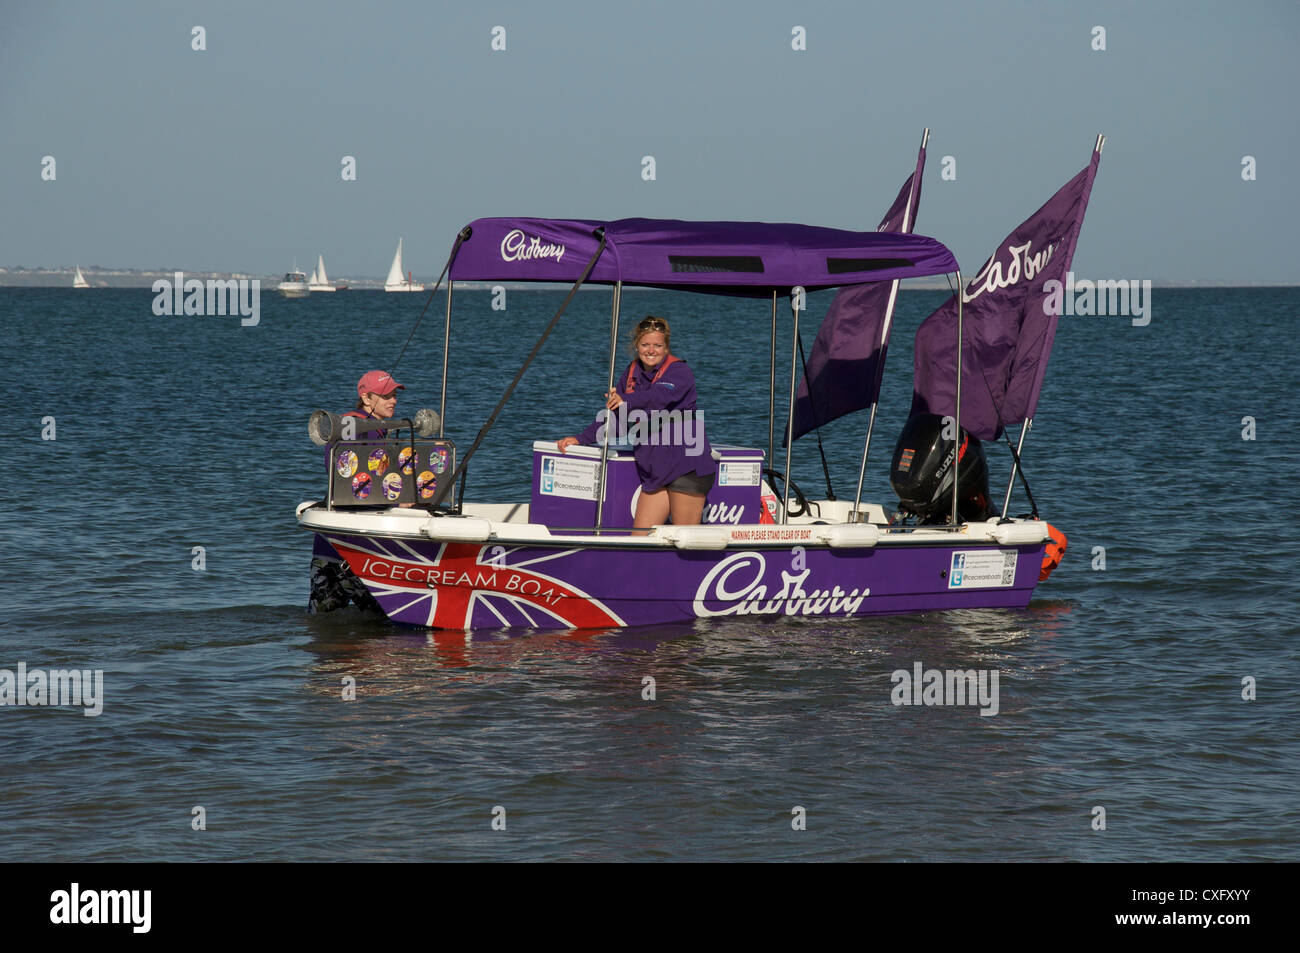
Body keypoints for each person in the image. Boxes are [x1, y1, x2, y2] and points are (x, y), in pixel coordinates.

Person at [557, 315, 715, 529]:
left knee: (684, 539)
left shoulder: (679, 372)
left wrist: (626, 399)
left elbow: (658, 396)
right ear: (636, 346)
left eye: (658, 345)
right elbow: (616, 419)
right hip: (655, 471)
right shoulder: (632, 373)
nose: (651, 350)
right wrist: (580, 438)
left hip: (686, 467)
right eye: (645, 345)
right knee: (640, 537)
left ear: (666, 347)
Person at [345, 370, 404, 437]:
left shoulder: (349, 421)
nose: (393, 401)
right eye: (385, 395)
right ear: (366, 399)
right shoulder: (368, 431)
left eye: (394, 395)